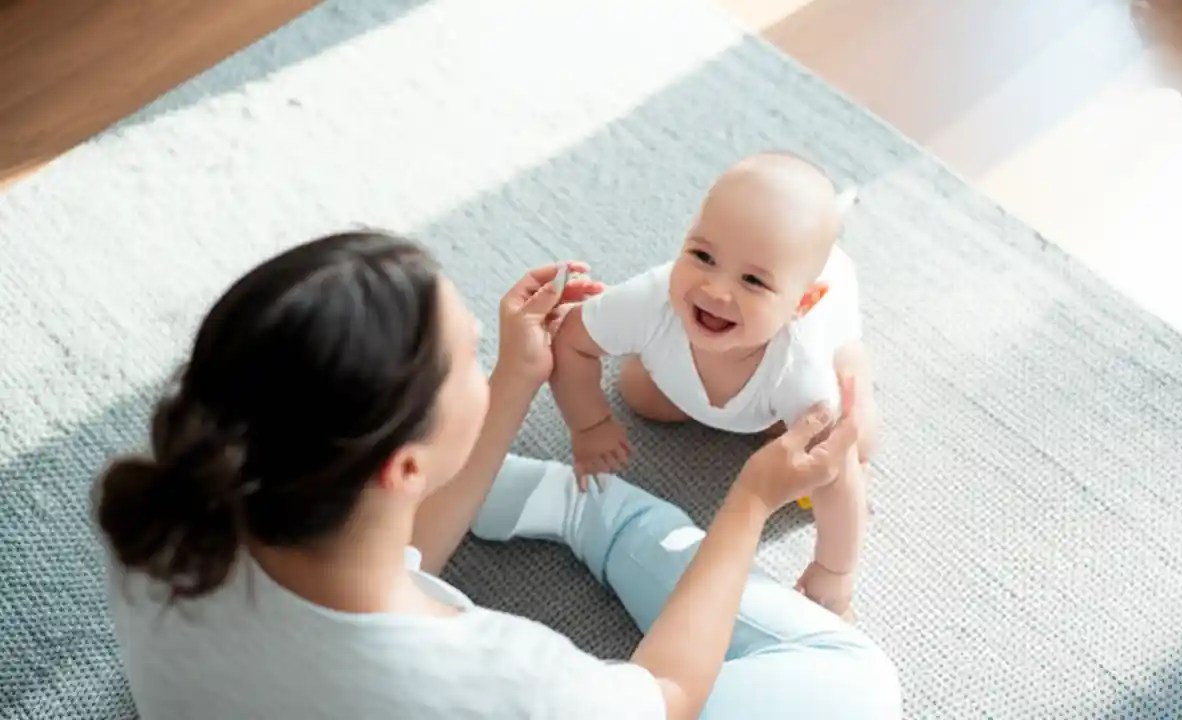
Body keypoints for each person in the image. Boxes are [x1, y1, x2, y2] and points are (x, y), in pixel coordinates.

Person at [95, 231, 901, 719]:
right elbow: (667, 693)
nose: (484, 367)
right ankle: (598, 516)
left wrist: (516, 376)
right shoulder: (509, 678)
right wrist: (751, 500)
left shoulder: (166, 520)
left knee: (482, 491)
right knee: (853, 678)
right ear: (403, 467)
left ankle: (560, 502)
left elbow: (394, 556)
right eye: (468, 361)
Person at [550, 151, 878, 615]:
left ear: (802, 302)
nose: (716, 291)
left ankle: (852, 368)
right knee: (640, 393)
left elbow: (833, 472)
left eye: (752, 281)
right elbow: (571, 342)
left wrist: (834, 572)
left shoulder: (802, 370)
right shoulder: (651, 298)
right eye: (702, 256)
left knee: (851, 436)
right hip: (735, 384)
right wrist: (589, 425)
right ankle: (753, 408)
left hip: (824, 339)